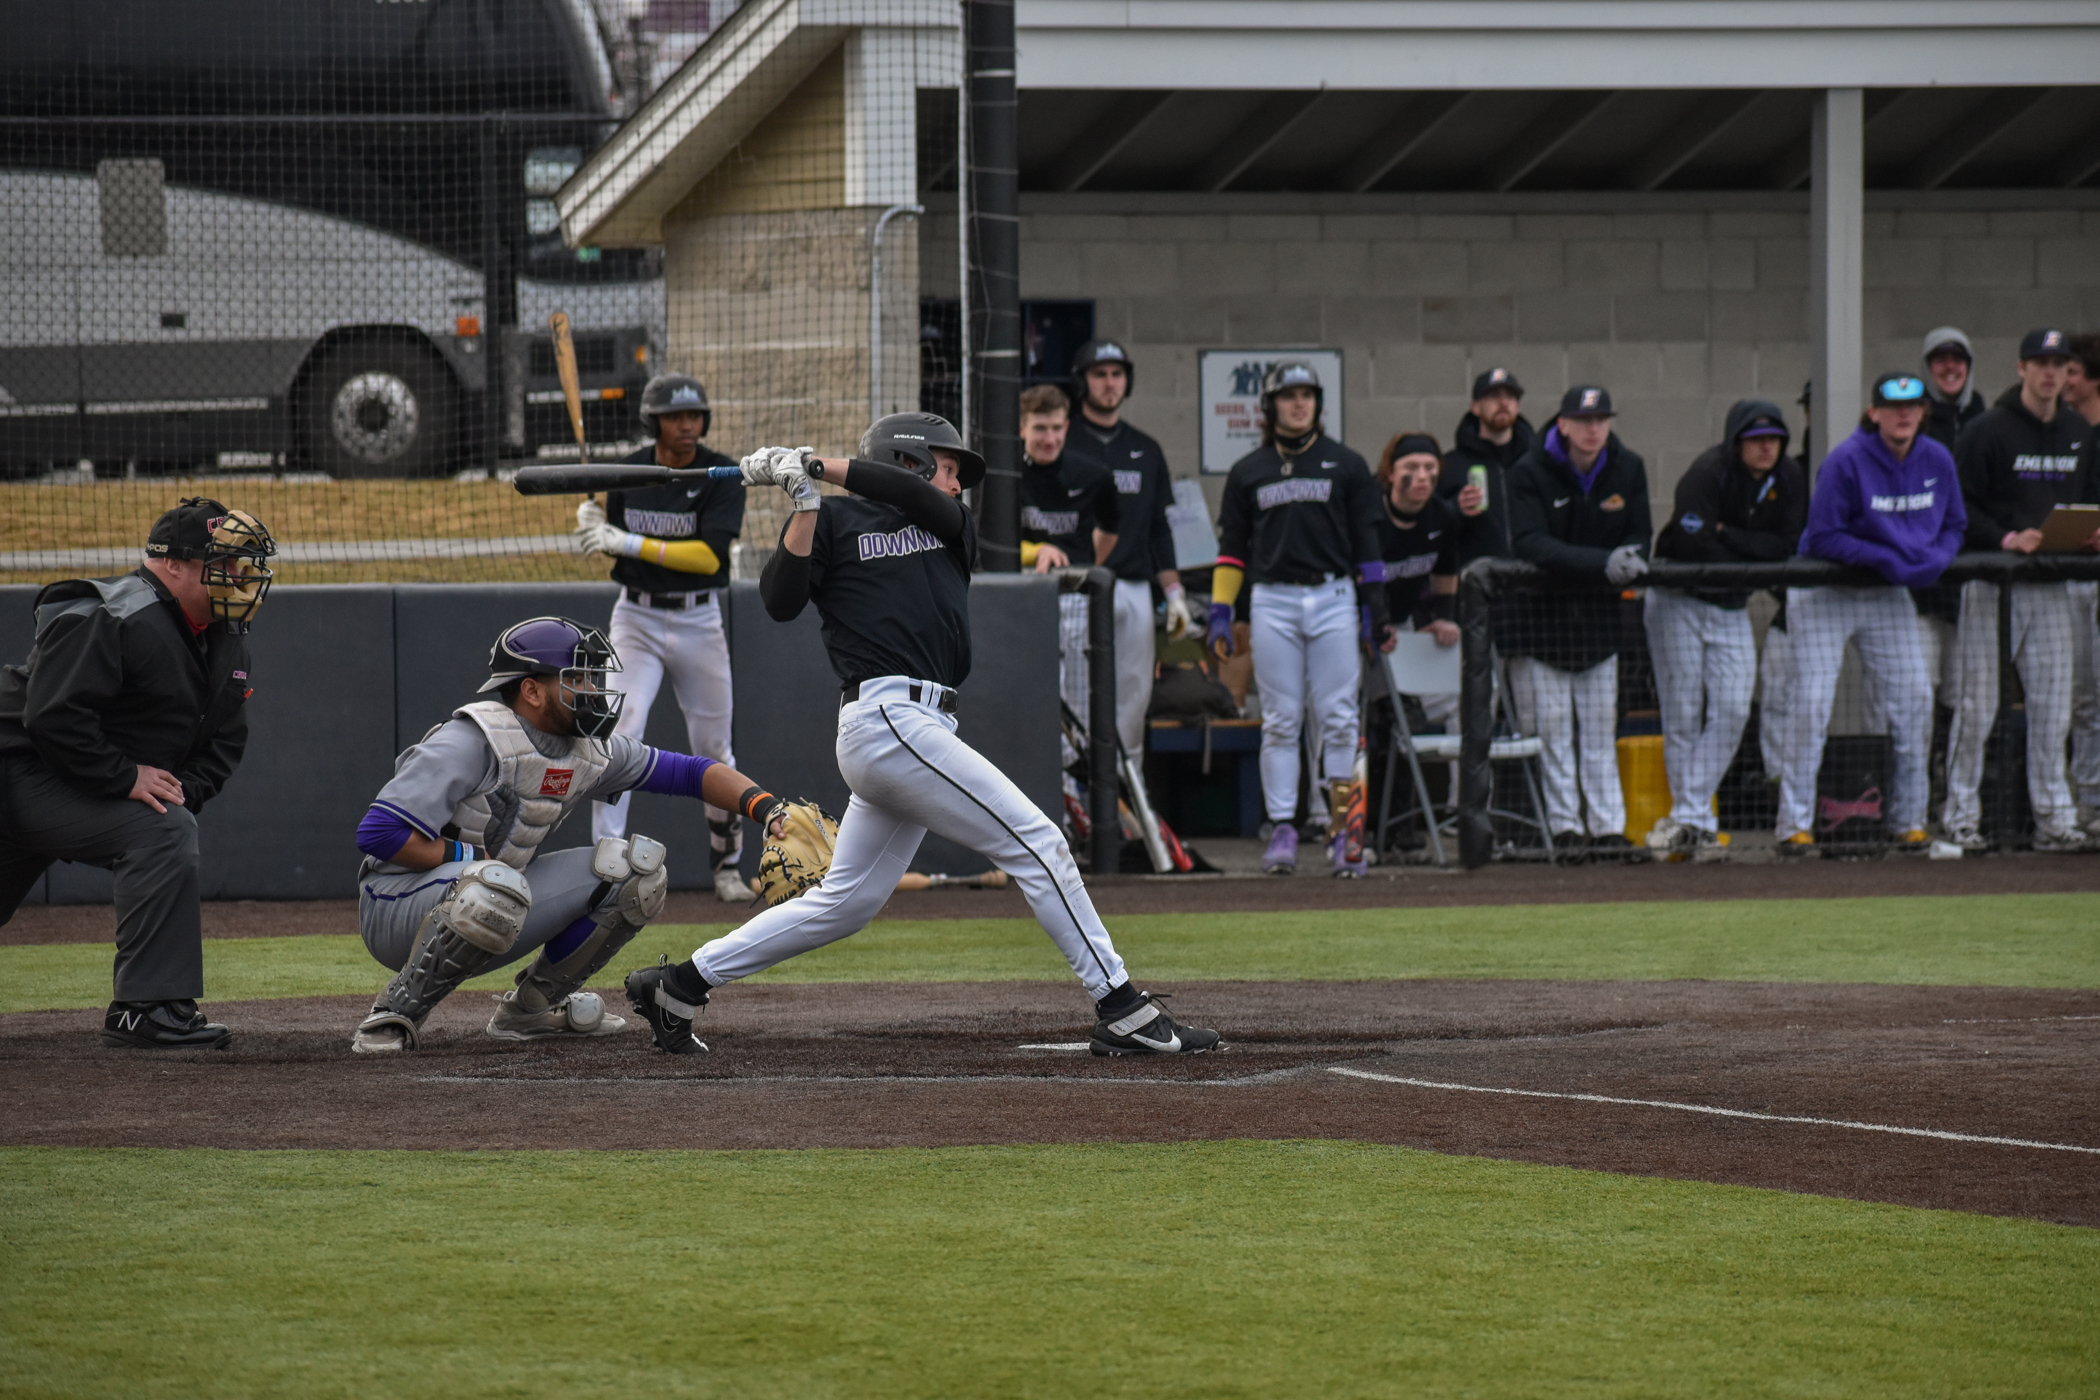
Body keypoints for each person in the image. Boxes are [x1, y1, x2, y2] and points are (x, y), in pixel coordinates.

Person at [621, 414, 1219, 1058]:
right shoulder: (833, 522)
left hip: (918, 725)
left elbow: (908, 494)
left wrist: (815, 465)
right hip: (885, 718)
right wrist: (804, 503)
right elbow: (779, 600)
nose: (958, 483)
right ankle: (1121, 1007)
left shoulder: (947, 522)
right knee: (1041, 843)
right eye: (949, 467)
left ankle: (681, 984)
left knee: (846, 904)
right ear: (909, 458)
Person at [348, 616, 791, 1054]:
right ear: (531, 690)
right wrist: (467, 855)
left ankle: (531, 1009)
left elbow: (692, 773)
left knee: (636, 876)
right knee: (492, 887)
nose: (593, 690)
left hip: (489, 894)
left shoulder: (588, 749)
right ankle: (394, 1012)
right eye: (577, 678)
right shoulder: (471, 739)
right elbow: (378, 832)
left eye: (592, 677)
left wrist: (769, 808)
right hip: (396, 905)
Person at [0, 498, 275, 1049]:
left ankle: (150, 1006)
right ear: (172, 563)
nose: (239, 577)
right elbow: (52, 716)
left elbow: (223, 742)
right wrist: (125, 778)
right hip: (19, 769)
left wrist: (176, 790)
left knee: (164, 822)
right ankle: (147, 1007)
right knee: (162, 829)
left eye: (243, 565)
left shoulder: (224, 636)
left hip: (72, 782)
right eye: (223, 563)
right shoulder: (111, 611)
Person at [575, 373, 754, 905]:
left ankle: (727, 867)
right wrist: (593, 521)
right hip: (637, 618)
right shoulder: (629, 471)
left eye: (694, 415)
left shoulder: (719, 473)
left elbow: (709, 557)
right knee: (618, 730)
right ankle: (607, 863)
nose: (687, 425)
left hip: (699, 619)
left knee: (714, 747)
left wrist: (626, 540)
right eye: (675, 417)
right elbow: (610, 541)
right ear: (654, 422)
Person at [1207, 362, 1390, 877]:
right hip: (1273, 600)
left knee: (1339, 717)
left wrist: (1375, 609)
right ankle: (1283, 826)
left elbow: (1368, 544)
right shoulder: (1249, 470)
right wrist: (1221, 611)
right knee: (1282, 719)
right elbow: (1232, 550)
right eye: (1289, 396)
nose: (1299, 403)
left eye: (1307, 395)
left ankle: (1342, 830)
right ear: (1270, 406)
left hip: (1333, 595)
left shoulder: (1346, 464)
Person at [1774, 373, 1965, 856]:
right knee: (1811, 702)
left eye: (1912, 406)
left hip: (1885, 594)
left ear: (1922, 412)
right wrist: (1889, 558)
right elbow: (1823, 536)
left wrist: (1935, 559)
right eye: (1892, 407)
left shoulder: (1936, 459)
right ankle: (1793, 826)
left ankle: (1909, 821)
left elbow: (1955, 524)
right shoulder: (1846, 459)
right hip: (1826, 591)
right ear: (1874, 412)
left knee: (1916, 697)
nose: (1903, 414)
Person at [1942, 329, 2097, 853]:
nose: (2050, 373)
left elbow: (2088, 495)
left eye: (2059, 364)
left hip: (2052, 586)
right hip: (1995, 585)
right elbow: (1959, 508)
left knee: (2053, 710)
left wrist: (2090, 530)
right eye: (2040, 363)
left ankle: (2054, 820)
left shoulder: (2078, 430)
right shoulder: (1988, 430)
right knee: (1977, 706)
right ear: (2021, 368)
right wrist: (2006, 538)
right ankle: (1961, 817)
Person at [1645, 401, 1808, 861]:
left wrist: (1730, 536)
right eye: (1756, 440)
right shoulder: (1706, 473)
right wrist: (1751, 551)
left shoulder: (1789, 477)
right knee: (1682, 712)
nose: (1766, 448)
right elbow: (1695, 545)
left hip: (1732, 603)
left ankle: (1687, 817)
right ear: (1736, 442)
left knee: (1734, 709)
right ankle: (1699, 826)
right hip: (1679, 598)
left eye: (1774, 439)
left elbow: (1787, 545)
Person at [1504, 386, 1652, 864]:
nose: (1593, 429)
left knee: (1600, 728)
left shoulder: (1628, 468)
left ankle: (1608, 828)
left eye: (1601, 420)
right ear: (1563, 424)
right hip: (1545, 621)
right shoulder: (1528, 471)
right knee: (1553, 729)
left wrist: (1629, 558)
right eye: (1584, 421)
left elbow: (1640, 534)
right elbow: (1530, 542)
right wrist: (1601, 563)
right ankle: (1565, 827)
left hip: (1601, 621)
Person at [1061, 341, 1193, 764]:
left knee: (1133, 695)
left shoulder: (1146, 448)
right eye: (1099, 374)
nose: (1109, 383)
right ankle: (1075, 789)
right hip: (1077, 588)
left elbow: (1159, 528)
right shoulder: (1062, 441)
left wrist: (1174, 594)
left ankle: (1122, 789)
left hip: (1134, 588)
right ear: (1082, 381)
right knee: (1076, 696)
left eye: (1116, 374)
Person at [1018, 383, 1121, 779]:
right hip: (1023, 599)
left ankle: (1080, 792)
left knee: (1082, 703)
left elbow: (1110, 530)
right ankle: (1053, 780)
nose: (1050, 438)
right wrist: (1036, 551)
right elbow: (986, 539)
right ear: (1022, 428)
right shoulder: (1004, 474)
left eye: (1057, 428)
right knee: (1035, 695)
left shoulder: (1093, 474)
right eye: (1040, 428)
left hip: (1077, 602)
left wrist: (1081, 568)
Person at [2061, 332, 2100, 836]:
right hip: (2069, 575)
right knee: (2079, 697)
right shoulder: (2065, 433)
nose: (2063, 380)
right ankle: (2085, 801)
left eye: (2072, 371)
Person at [1440, 367, 1535, 565]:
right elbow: (1431, 526)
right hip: (1476, 577)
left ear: (1518, 406)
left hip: (1532, 576)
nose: (1503, 402)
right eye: (1493, 396)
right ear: (1475, 407)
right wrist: (1456, 509)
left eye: (1510, 396)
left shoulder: (1536, 463)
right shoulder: (1450, 466)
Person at [1920, 327, 1988, 454]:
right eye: (1941, 360)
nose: (1950, 367)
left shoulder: (1982, 416)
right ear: (1927, 368)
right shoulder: (1913, 418)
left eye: (1958, 360)